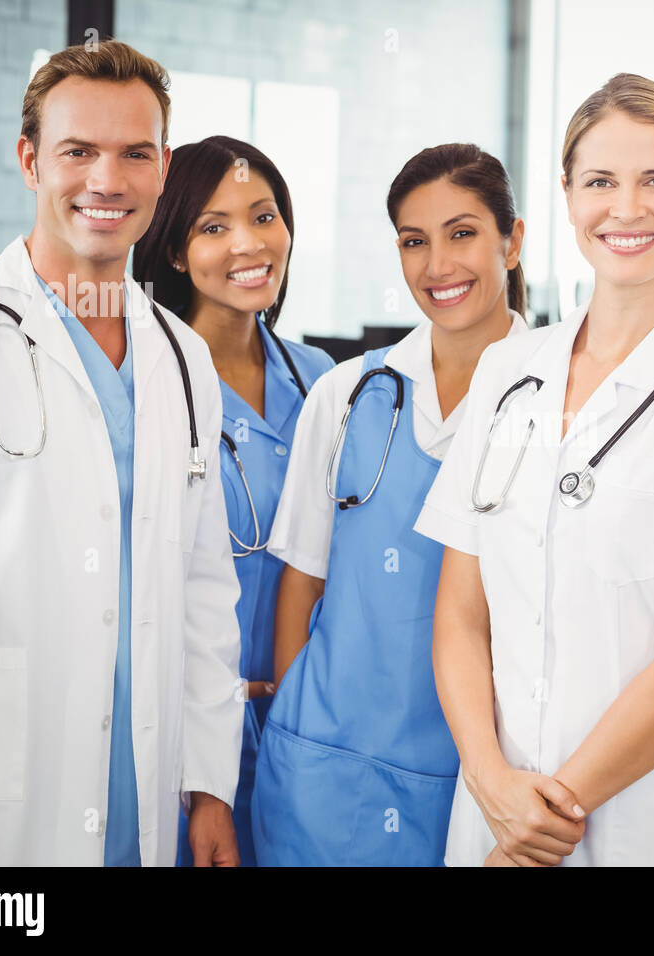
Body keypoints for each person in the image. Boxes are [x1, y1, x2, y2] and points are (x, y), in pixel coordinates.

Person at [415, 74, 654, 866]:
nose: (626, 208)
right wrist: (491, 780)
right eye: (601, 182)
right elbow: (459, 616)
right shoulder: (506, 370)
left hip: (647, 822)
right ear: (567, 194)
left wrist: (546, 820)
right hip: (496, 805)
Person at [0, 41, 243, 866]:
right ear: (29, 161)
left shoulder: (183, 360)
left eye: (135, 154)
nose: (106, 181)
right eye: (77, 151)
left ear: (162, 171)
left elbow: (203, 591)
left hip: (147, 801)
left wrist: (210, 784)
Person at [250, 144, 529, 865]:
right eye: (414, 241)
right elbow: (302, 579)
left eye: (462, 233)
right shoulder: (347, 394)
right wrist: (295, 721)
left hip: (481, 779)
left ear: (513, 239)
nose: (438, 265)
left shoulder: (558, 401)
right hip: (322, 772)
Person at [133, 136, 335, 867]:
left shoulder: (322, 381)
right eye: (213, 227)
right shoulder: (146, 385)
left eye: (264, 216)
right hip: (192, 732)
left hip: (306, 720)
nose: (248, 244)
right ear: (176, 252)